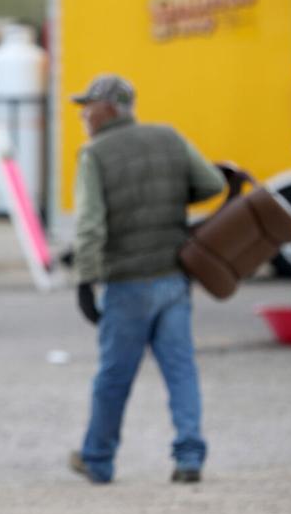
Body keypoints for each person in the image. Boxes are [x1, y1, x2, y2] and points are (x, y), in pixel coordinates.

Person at [66, 74, 225, 485]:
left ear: (109, 109)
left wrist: (85, 281)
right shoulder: (168, 137)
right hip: (173, 278)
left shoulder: (95, 154)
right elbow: (212, 183)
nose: (83, 116)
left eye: (88, 107)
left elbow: (90, 225)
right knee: (181, 370)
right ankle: (189, 457)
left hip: (126, 284)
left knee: (114, 377)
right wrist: (173, 194)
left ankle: (98, 459)